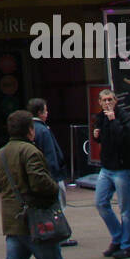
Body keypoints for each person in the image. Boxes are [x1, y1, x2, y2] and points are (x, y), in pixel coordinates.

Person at [0, 109, 65, 259]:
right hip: (35, 219)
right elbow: (39, 182)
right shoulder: (30, 151)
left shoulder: (1, 153)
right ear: (29, 130)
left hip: (13, 221)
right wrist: (55, 188)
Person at [91, 88, 130, 259]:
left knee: (126, 209)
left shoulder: (124, 117)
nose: (108, 103)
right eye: (104, 100)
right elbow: (105, 139)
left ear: (116, 101)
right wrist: (96, 136)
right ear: (100, 103)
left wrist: (114, 120)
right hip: (107, 167)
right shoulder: (100, 117)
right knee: (101, 203)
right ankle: (118, 237)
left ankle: (128, 245)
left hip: (123, 168)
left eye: (110, 99)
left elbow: (126, 139)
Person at [27, 97, 75, 247]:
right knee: (58, 205)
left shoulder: (30, 129)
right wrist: (54, 175)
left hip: (40, 175)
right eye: (46, 110)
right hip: (52, 176)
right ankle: (60, 234)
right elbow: (51, 156)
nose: (47, 113)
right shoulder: (43, 130)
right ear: (40, 112)